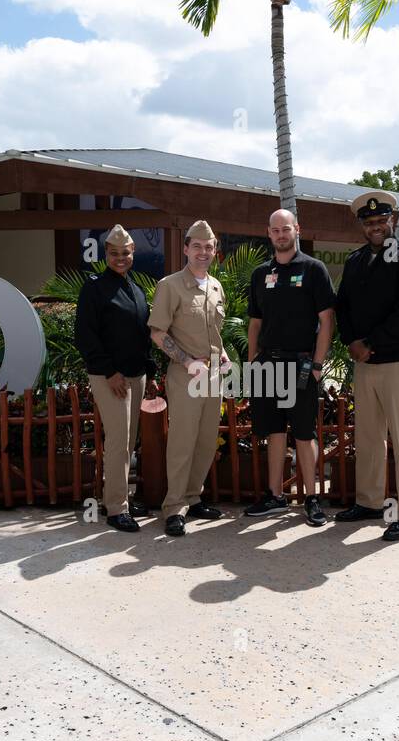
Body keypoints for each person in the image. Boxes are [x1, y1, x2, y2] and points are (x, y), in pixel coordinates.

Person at [333, 190, 399, 542]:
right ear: (362, 226)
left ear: (393, 220)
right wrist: (350, 342)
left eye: (381, 221)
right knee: (369, 436)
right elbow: (342, 306)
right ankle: (370, 502)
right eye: (369, 222)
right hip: (365, 363)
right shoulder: (356, 261)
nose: (376, 227)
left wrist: (369, 343)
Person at [243, 209, 336, 526]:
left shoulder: (314, 270)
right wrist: (254, 361)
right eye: (275, 230)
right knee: (273, 431)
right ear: (268, 233)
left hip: (301, 364)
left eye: (286, 229)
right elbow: (254, 324)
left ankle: (312, 499)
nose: (281, 235)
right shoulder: (260, 274)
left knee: (304, 433)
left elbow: (326, 321)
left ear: (297, 229)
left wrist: (318, 365)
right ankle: (275, 497)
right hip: (268, 364)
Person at [148, 220, 232, 537]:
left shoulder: (215, 287)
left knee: (206, 440)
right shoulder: (169, 286)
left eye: (208, 247)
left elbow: (215, 333)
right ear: (185, 249)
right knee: (182, 442)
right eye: (196, 246)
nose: (203, 252)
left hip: (212, 375)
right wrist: (186, 361)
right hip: (186, 376)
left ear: (214, 251)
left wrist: (222, 354)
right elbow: (158, 333)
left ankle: (194, 498)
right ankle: (174, 508)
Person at [75, 224, 158, 532]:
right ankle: (116, 509)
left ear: (133, 253)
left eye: (125, 253)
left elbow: (142, 335)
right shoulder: (94, 287)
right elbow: (85, 335)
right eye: (114, 253)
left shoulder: (135, 289)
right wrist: (109, 372)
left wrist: (149, 371)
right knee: (118, 442)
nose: (120, 258)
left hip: (136, 376)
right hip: (110, 377)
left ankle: (122, 497)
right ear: (105, 254)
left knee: (129, 441)